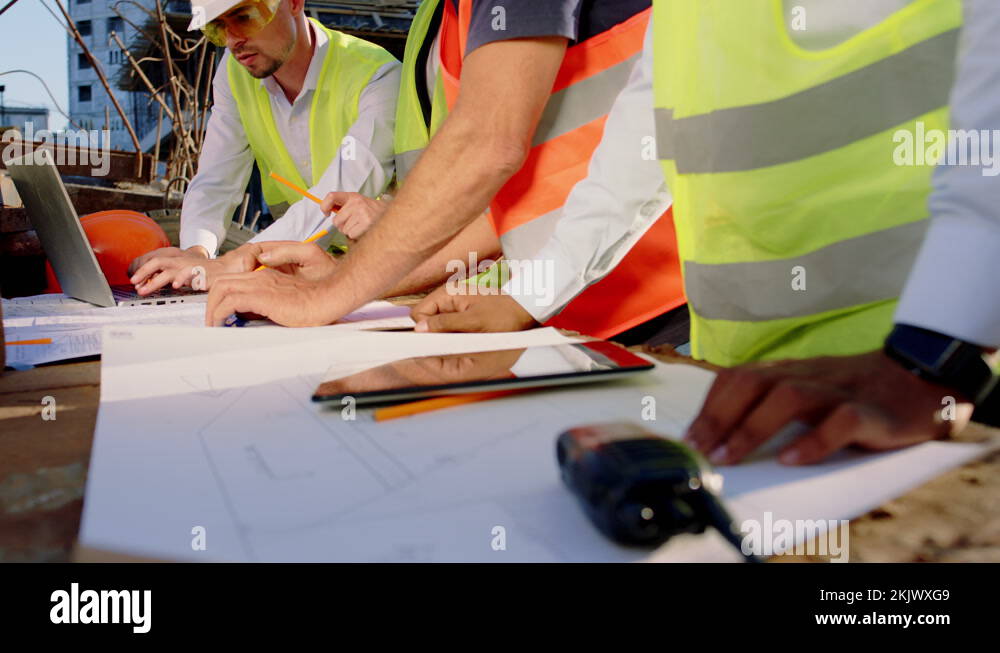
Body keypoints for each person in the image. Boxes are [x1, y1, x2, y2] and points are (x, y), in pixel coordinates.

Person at [411, 0, 1000, 463]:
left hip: (922, 372)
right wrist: (533, 289)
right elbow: (649, 125)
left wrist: (938, 349)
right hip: (740, 372)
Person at [204, 0, 687, 342]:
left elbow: (487, 147)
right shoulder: (453, 21)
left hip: (664, 314)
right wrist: (346, 274)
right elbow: (510, 209)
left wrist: (332, 293)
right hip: (570, 315)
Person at [128, 0, 399, 294]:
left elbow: (337, 196)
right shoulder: (235, 75)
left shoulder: (378, 75)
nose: (233, 41)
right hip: (307, 276)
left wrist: (233, 263)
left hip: (395, 274)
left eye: (245, 17)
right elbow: (216, 178)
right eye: (217, 28)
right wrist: (196, 253)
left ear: (295, 3)